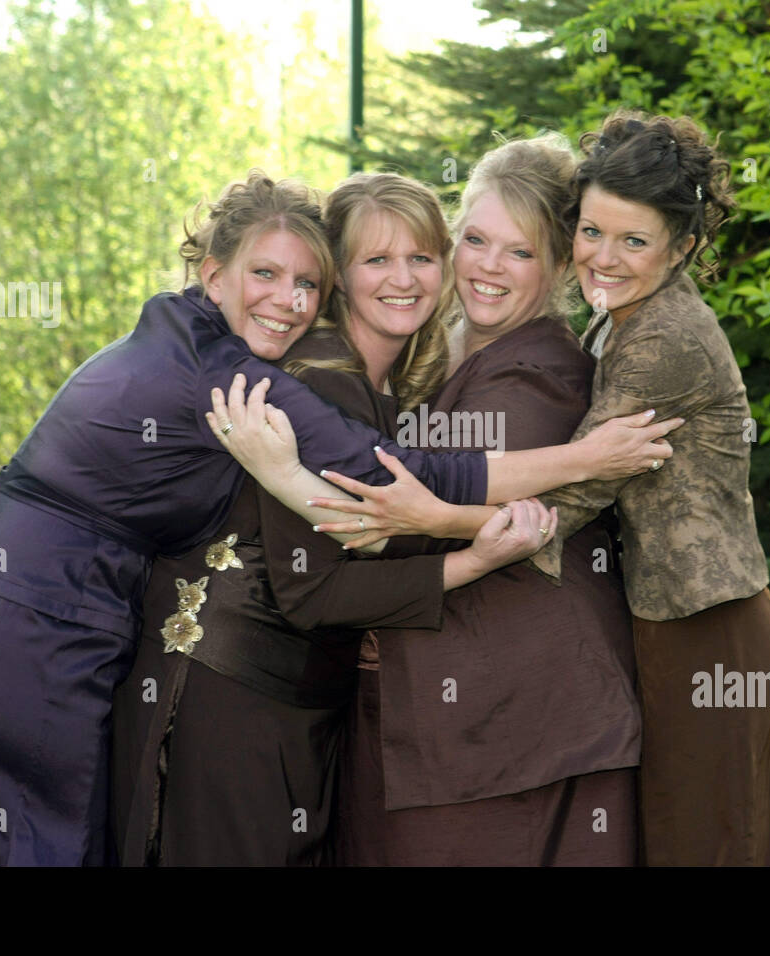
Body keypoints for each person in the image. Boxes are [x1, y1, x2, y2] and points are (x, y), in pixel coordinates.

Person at [0, 171, 671, 867]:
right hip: (37, 627)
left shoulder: (227, 348)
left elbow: (352, 512)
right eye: (268, 276)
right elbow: (384, 507)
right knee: (9, 838)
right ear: (213, 276)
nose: (288, 300)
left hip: (61, 618)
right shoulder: (265, 379)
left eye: (303, 282)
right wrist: (585, 462)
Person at [302, 112, 770, 866]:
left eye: (633, 241)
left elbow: (557, 509)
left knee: (715, 839)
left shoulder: (619, 350)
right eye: (474, 240)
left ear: (682, 247)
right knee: (696, 834)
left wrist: (424, 512)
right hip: (659, 625)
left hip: (706, 630)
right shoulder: (601, 325)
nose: (604, 258)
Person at [216, 136, 643, 865]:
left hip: (511, 727)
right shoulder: (434, 349)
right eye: (474, 240)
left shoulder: (537, 372)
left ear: (562, 265)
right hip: (457, 725)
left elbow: (405, 511)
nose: (485, 267)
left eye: (520, 252)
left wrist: (289, 477)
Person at [111, 172, 556, 865]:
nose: (402, 278)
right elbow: (313, 591)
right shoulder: (319, 381)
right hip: (229, 698)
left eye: (421, 258)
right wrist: (472, 561)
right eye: (376, 260)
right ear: (338, 278)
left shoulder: (381, 387)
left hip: (294, 703)